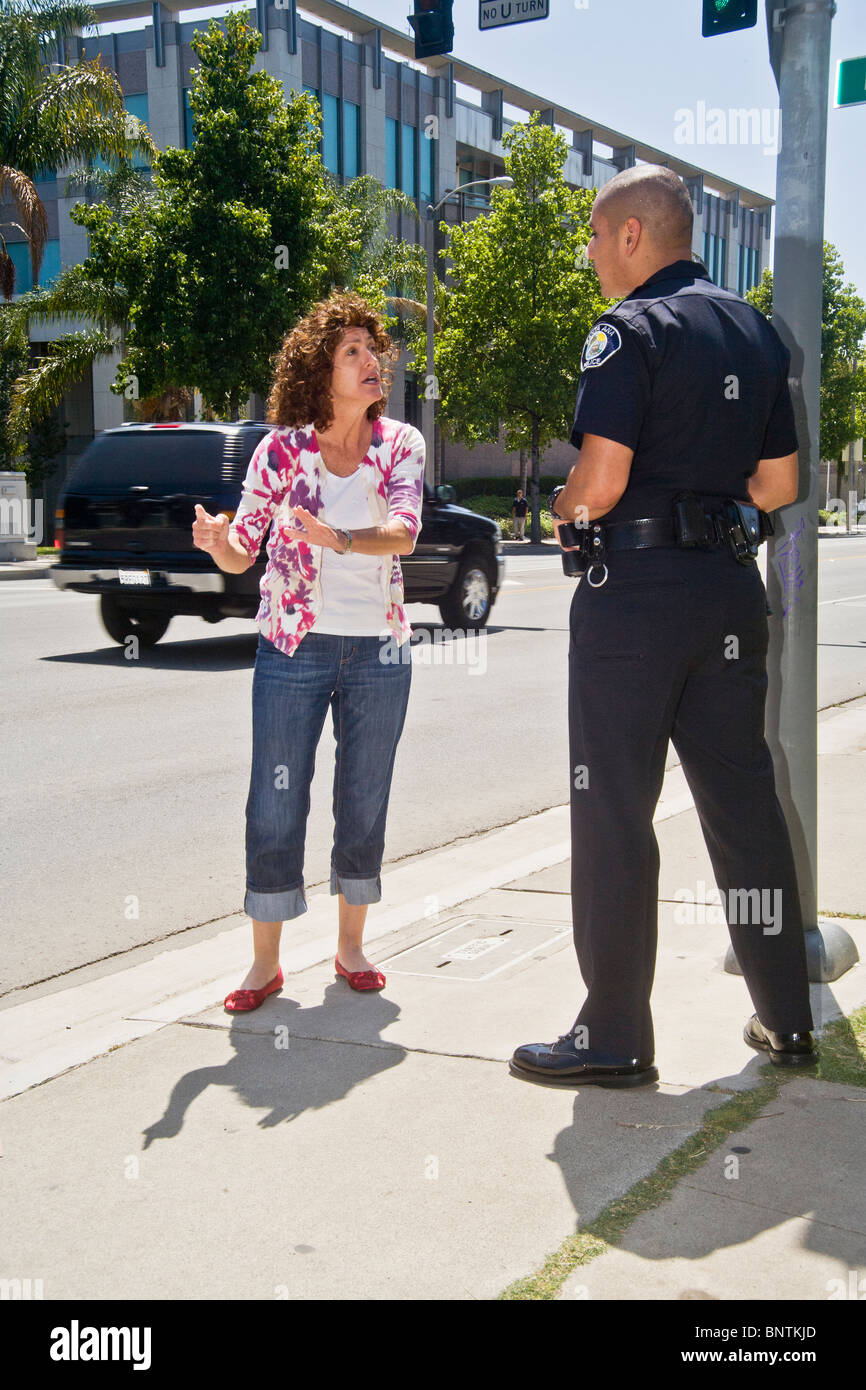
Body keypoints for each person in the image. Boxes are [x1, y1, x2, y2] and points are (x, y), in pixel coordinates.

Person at [510, 165, 816, 1088]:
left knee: (612, 812)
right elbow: (778, 488)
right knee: (744, 804)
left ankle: (614, 1038)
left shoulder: (627, 332)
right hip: (727, 594)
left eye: (597, 238)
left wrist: (563, 507)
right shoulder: (759, 333)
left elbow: (600, 483)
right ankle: (787, 1019)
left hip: (634, 597)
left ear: (636, 236)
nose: (592, 255)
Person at [192, 291, 425, 1008]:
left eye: (372, 349)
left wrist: (341, 538)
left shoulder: (399, 445)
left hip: (379, 650)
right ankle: (265, 962)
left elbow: (408, 533)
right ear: (318, 372)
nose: (370, 361)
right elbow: (243, 553)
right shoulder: (282, 451)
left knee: (363, 797)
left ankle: (349, 946)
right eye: (351, 351)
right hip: (294, 648)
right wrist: (217, 544)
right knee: (275, 800)